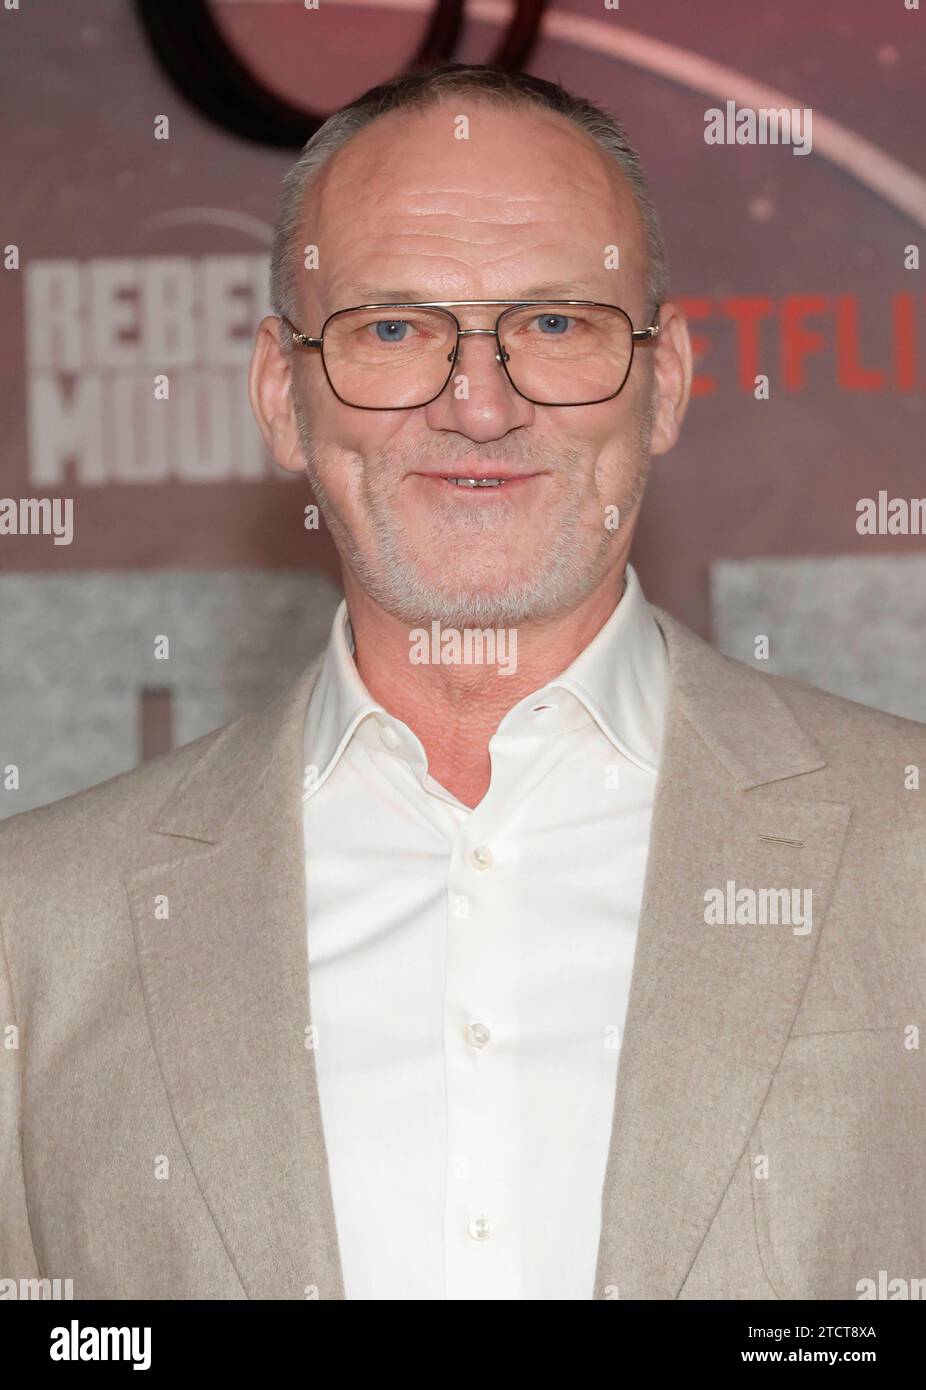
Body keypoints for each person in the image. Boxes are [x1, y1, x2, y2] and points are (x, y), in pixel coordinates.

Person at [1, 63, 923, 1302]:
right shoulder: (38, 928)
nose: (478, 404)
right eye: (392, 329)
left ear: (666, 382)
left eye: (553, 324)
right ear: (282, 395)